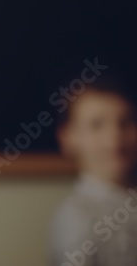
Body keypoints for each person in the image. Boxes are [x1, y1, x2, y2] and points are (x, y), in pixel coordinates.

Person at [50, 75, 137, 266]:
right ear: (68, 137)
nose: (114, 138)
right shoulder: (77, 218)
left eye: (125, 122)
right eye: (96, 125)